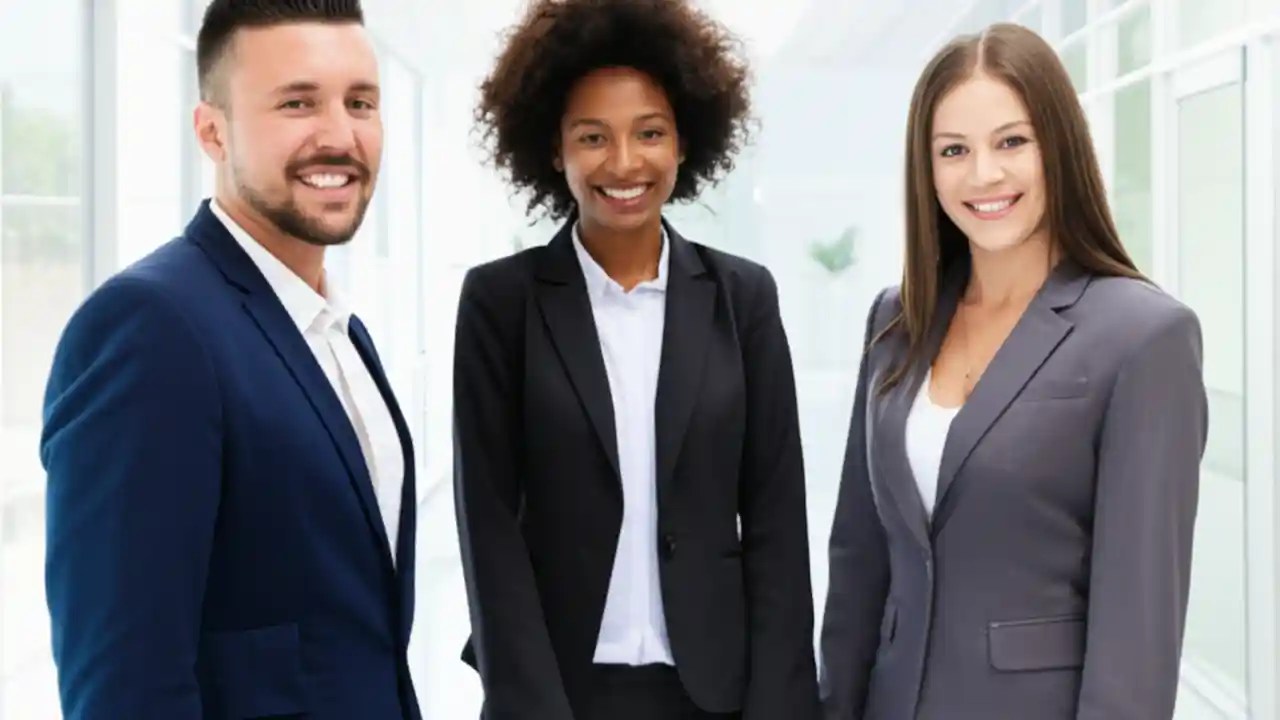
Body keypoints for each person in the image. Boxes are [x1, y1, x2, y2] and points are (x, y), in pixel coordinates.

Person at [39, 2, 420, 718]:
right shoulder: (151, 328)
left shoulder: (338, 330)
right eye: (298, 103)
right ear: (213, 131)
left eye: (360, 102)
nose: (340, 135)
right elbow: (125, 688)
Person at [819, 22, 1206, 720]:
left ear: (1058, 146)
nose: (983, 175)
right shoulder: (895, 322)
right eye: (954, 151)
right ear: (926, 168)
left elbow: (1138, 630)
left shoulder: (1143, 337)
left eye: (1011, 142)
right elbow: (859, 561)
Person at [453, 1, 820, 718]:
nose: (624, 163)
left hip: (715, 688)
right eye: (593, 137)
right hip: (562, 688)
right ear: (554, 149)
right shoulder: (501, 303)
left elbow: (777, 518)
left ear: (684, 142)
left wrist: (781, 702)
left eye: (649, 133)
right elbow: (487, 529)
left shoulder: (743, 298)